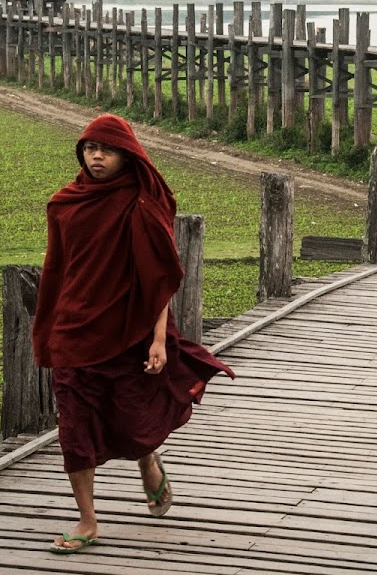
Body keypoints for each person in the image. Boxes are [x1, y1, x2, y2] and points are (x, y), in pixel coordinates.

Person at [32, 113, 235, 554]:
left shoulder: (140, 205)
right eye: (90, 149)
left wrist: (159, 339)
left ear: (127, 156)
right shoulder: (65, 203)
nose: (97, 157)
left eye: (107, 150)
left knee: (132, 417)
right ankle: (88, 520)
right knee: (74, 427)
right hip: (73, 329)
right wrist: (49, 326)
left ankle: (147, 459)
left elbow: (156, 279)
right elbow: (57, 270)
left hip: (128, 328)